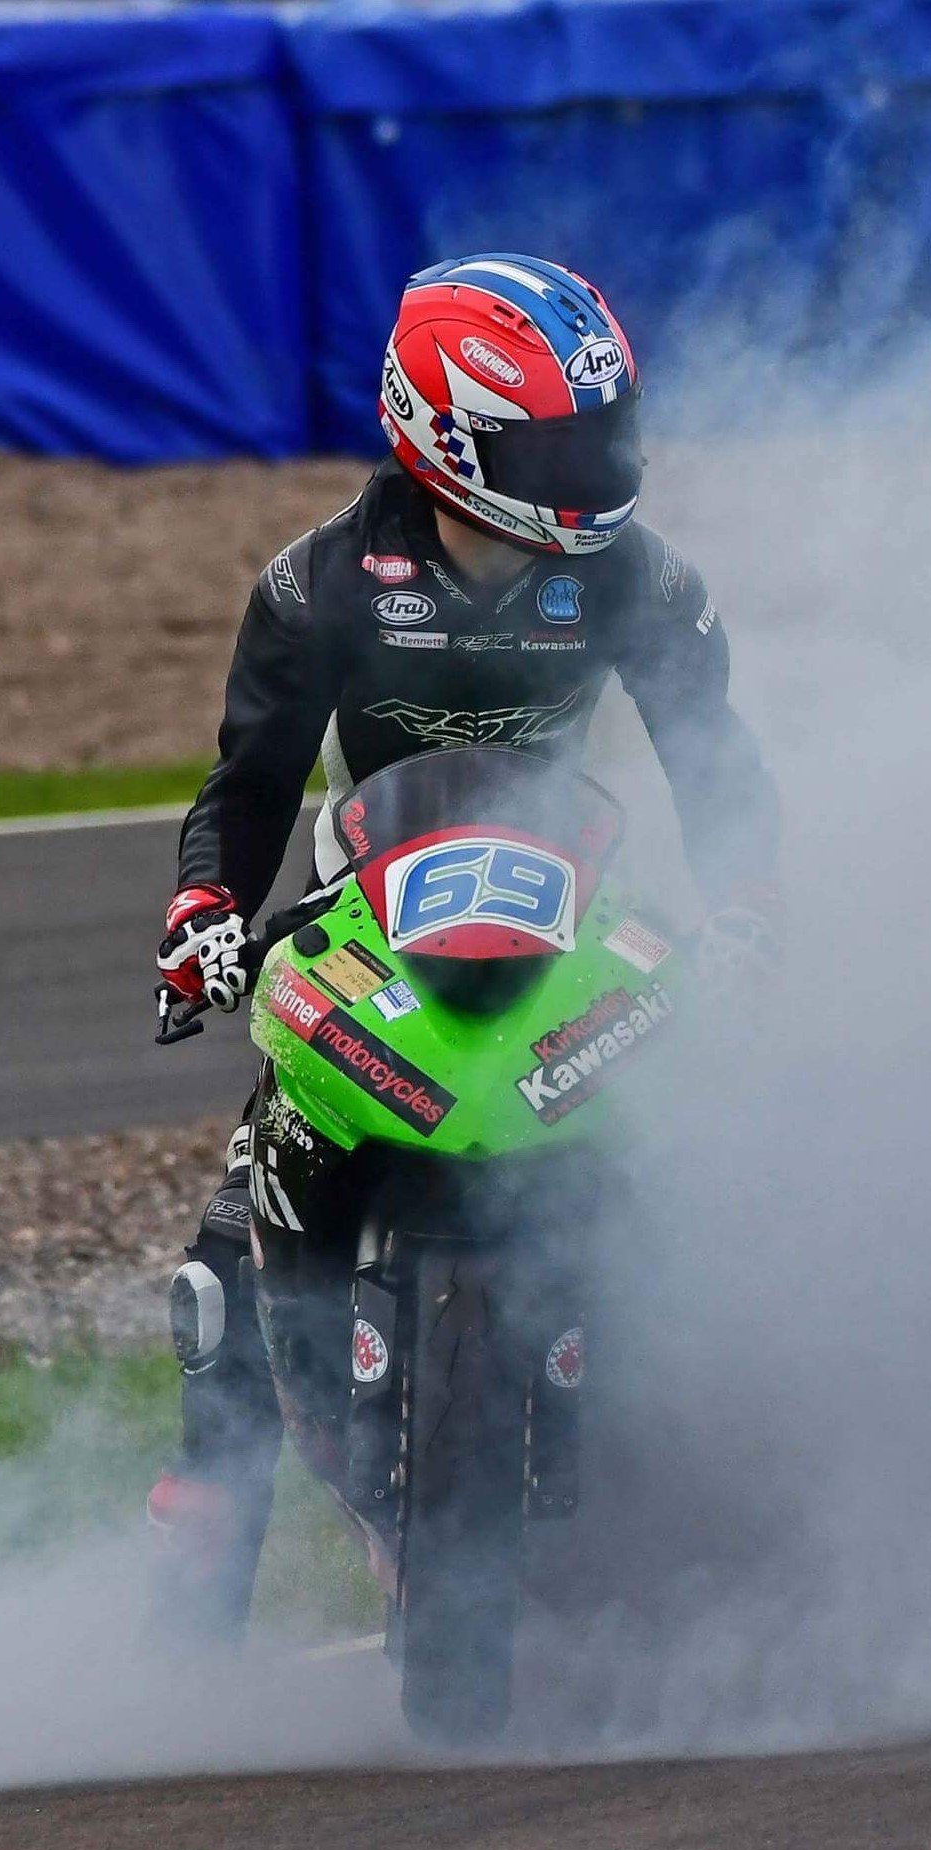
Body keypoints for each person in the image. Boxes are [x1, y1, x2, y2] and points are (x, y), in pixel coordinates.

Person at [147, 253, 781, 1636]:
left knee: (724, 1189)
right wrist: (203, 913)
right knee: (224, 1259)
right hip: (365, 913)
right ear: (448, 437)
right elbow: (249, 784)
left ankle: (726, 1518)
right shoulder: (317, 586)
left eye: (605, 429)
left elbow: (717, 768)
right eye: (558, 440)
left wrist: (744, 913)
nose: (598, 463)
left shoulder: (641, 584)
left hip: (574, 912)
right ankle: (178, 1638)